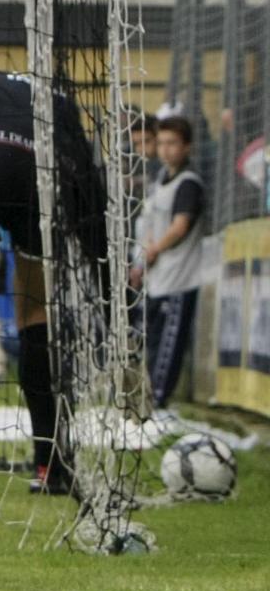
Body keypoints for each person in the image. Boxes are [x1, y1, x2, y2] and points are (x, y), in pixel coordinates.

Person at [0, 70, 107, 495]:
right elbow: (90, 195)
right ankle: (50, 466)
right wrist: (109, 293)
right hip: (46, 176)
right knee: (34, 311)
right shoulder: (60, 104)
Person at [137, 115, 205, 411]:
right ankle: (146, 396)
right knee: (152, 340)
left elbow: (180, 227)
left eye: (172, 143)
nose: (165, 149)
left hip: (179, 278)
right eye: (162, 142)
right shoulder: (160, 180)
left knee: (168, 344)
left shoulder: (188, 183)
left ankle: (158, 400)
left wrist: (154, 249)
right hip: (157, 277)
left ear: (186, 146)